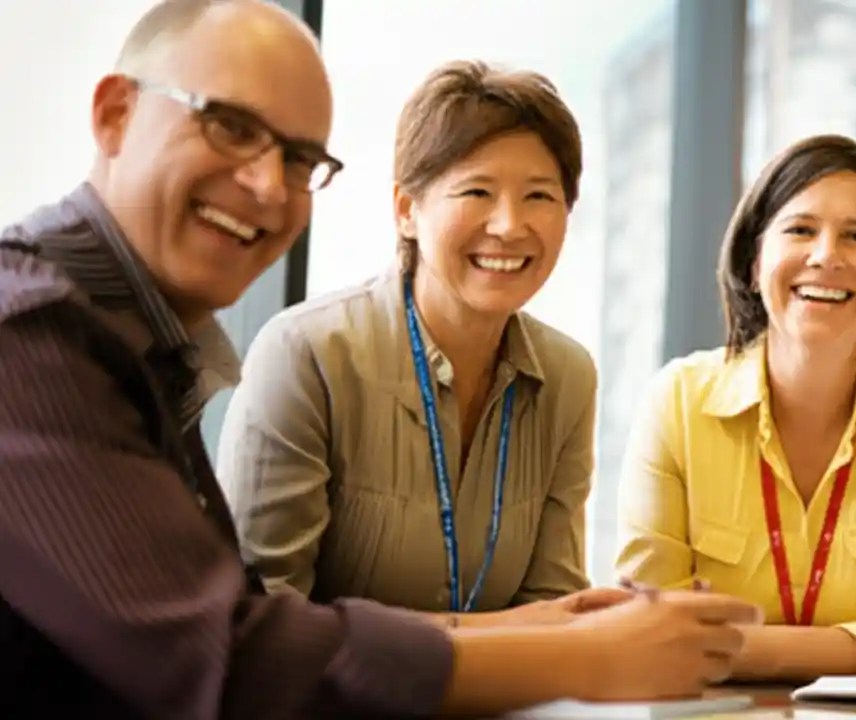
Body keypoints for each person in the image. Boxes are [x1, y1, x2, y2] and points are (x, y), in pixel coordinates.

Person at [0, 1, 761, 716]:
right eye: (228, 126)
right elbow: (233, 655)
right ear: (114, 114)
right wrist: (579, 658)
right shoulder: (32, 332)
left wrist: (573, 634)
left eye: (300, 159)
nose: (268, 184)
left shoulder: (148, 345)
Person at [216, 59, 613, 626]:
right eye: (477, 190)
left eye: (540, 197)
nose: (508, 224)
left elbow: (554, 608)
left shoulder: (568, 375)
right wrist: (494, 635)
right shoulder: (309, 353)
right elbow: (263, 623)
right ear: (406, 210)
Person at [615, 134, 856, 681]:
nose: (826, 256)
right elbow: (647, 628)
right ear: (753, 263)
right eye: (800, 229)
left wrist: (749, 651)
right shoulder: (677, 401)